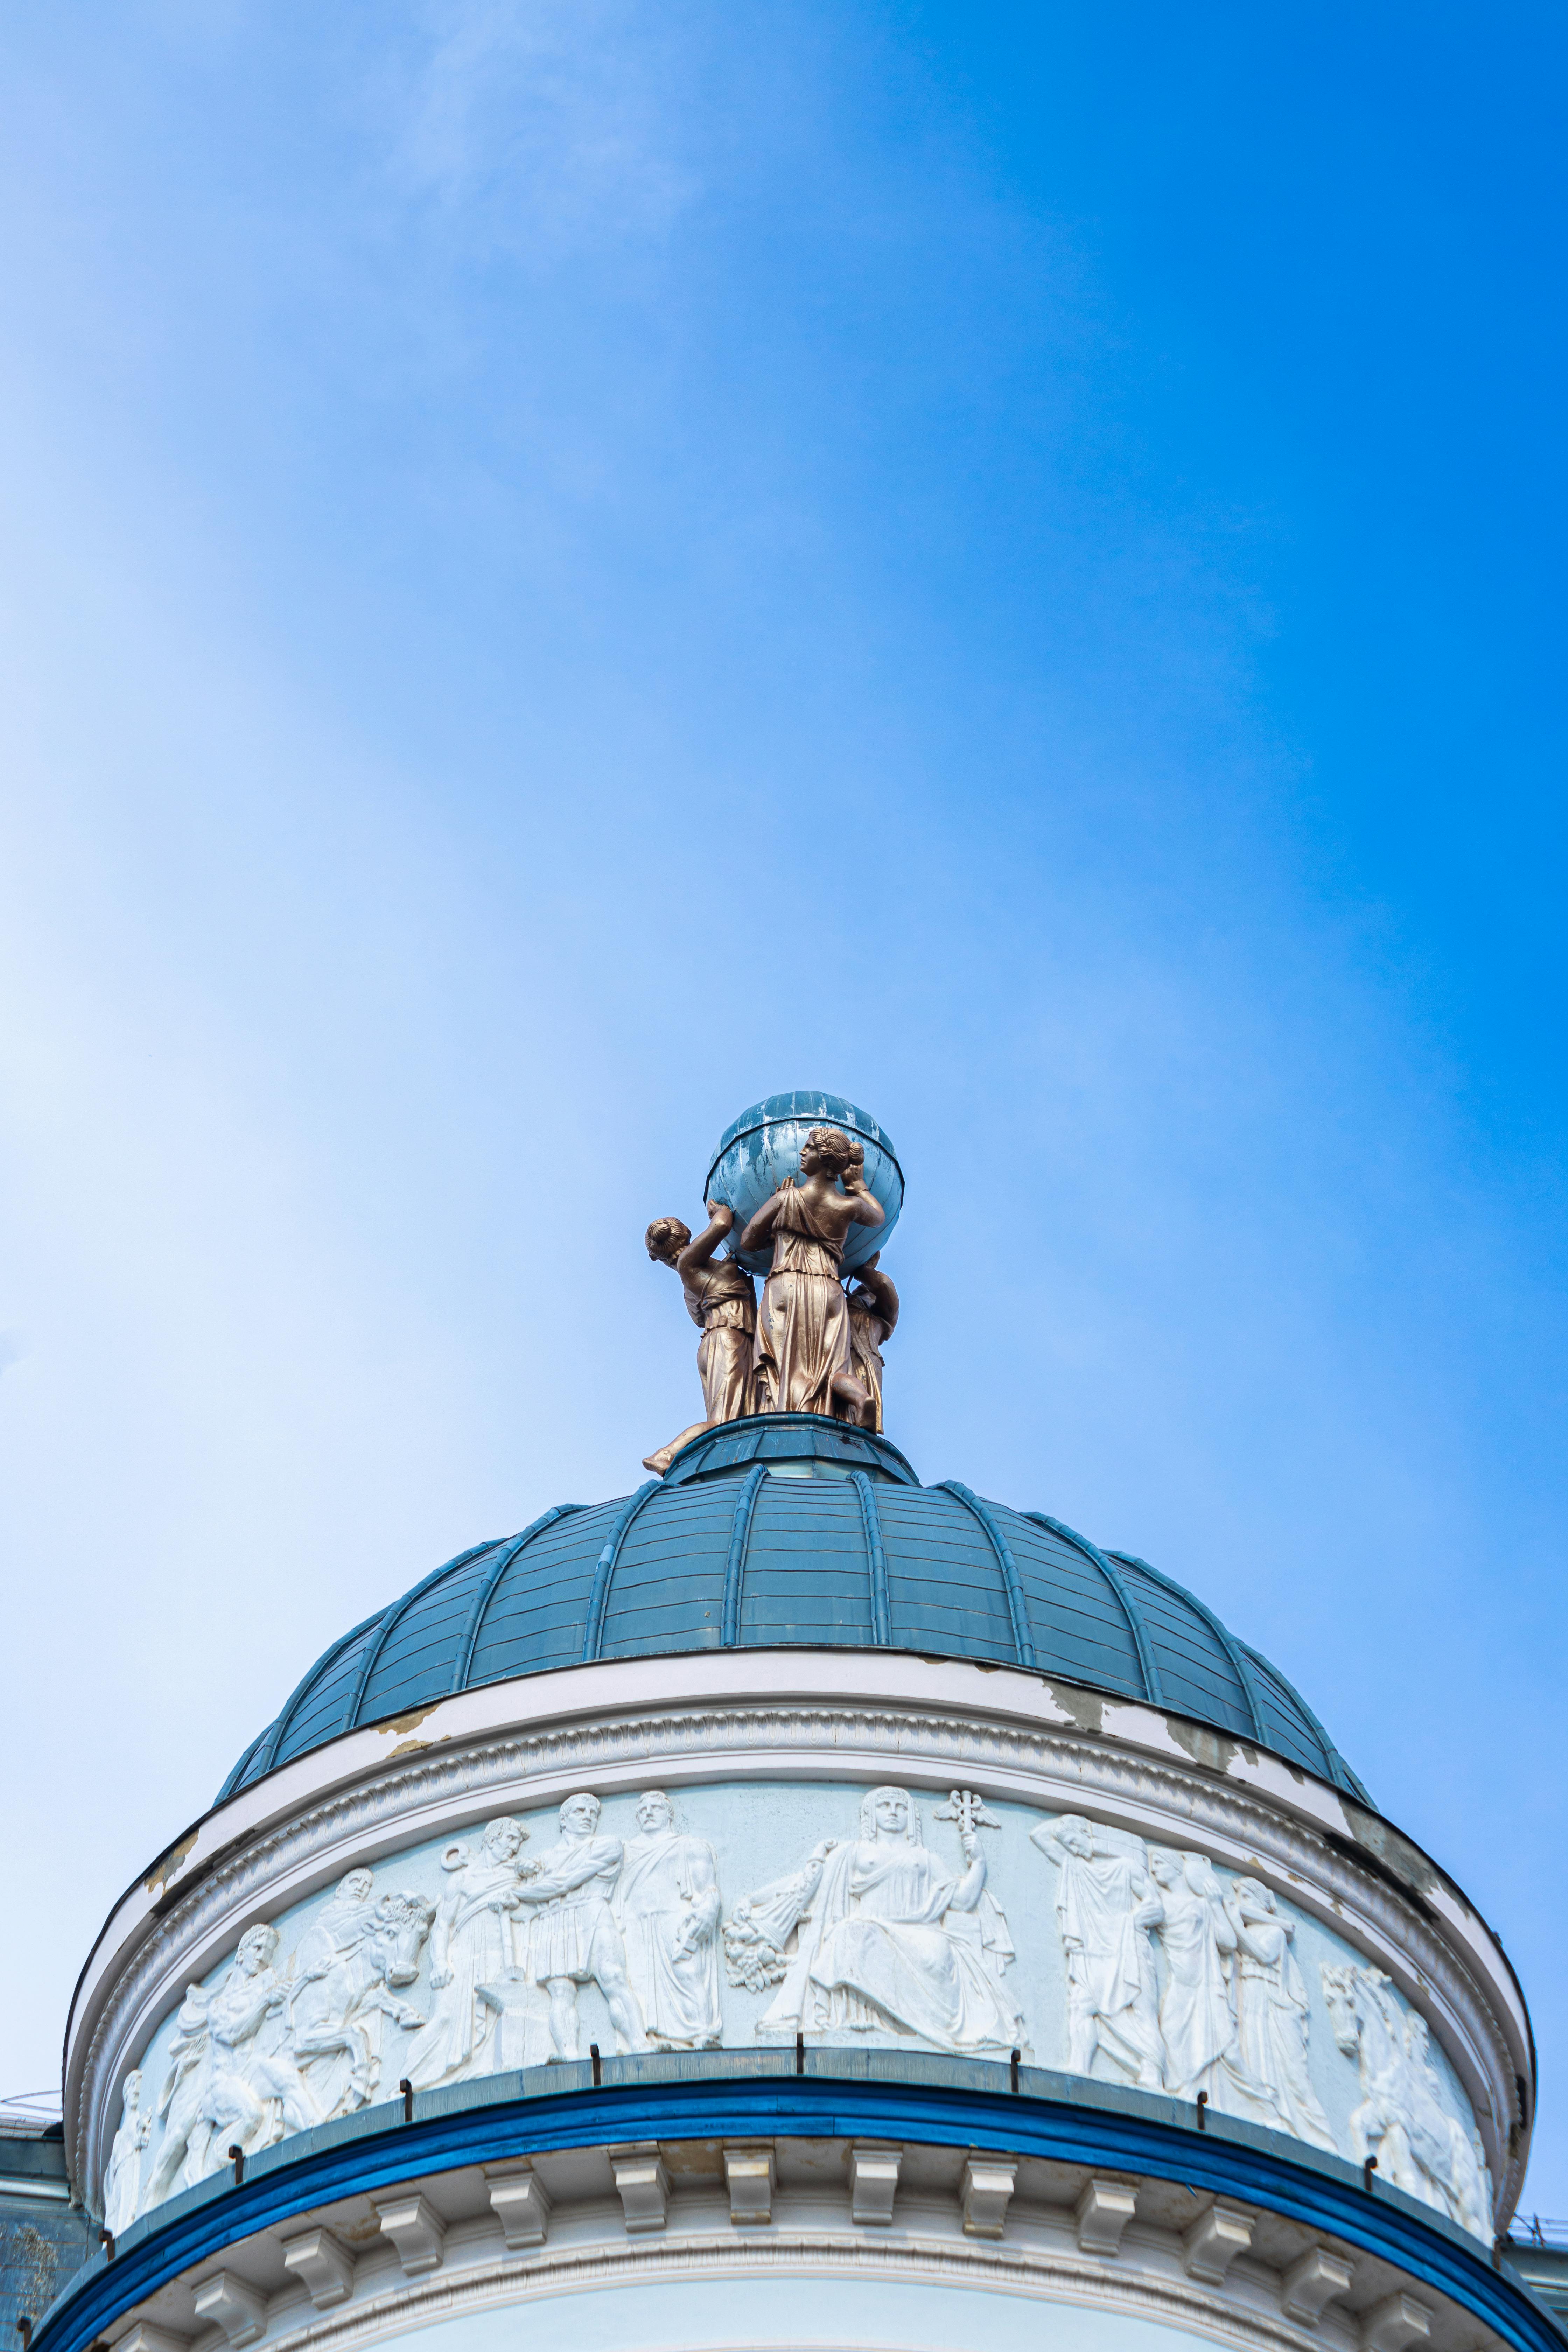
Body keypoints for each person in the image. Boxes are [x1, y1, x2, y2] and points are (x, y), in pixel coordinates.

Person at [748, 1786, 1020, 2051]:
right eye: (884, 1806)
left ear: (911, 1818)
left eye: (901, 1808)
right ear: (871, 1815)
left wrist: (979, 1864)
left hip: (919, 1932)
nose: (893, 1813)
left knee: (938, 1952)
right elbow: (813, 1889)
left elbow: (962, 1901)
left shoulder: (924, 1859)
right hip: (869, 1928)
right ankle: (861, 2019)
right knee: (850, 1934)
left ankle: (920, 2026)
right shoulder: (854, 1853)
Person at [739, 1127, 884, 1420]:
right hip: (829, 1289)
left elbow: (748, 1241)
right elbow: (878, 1217)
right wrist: (858, 1185)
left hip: (786, 1285)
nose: (803, 1153)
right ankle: (860, 1397)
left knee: (786, 1364)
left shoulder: (785, 1199)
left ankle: (789, 1421)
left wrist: (779, 1230)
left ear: (826, 1158)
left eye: (810, 1148)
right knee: (834, 1366)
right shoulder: (848, 1205)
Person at [1030, 1815, 1165, 2089]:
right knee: (1081, 2006)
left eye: (1075, 1842)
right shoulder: (1075, 1868)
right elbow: (1040, 1835)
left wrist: (1129, 1924)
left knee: (1142, 2012)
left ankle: (1153, 2073)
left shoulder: (1127, 1868)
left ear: (1085, 1833)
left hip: (1129, 1951)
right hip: (1092, 1954)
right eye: (1068, 1844)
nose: (1074, 1849)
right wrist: (1083, 1836)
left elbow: (1156, 1907)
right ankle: (1080, 2066)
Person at [510, 1794, 647, 2061]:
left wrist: (524, 1890)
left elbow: (564, 1882)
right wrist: (525, 1880)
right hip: (555, 1920)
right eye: (580, 1811)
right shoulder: (542, 1860)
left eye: (593, 1813)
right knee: (561, 1991)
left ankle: (639, 2043)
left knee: (614, 1977)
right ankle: (569, 2056)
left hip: (593, 1912)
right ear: (563, 1819)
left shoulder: (608, 1846)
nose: (587, 1817)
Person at [1148, 1850, 1281, 2123]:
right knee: (1173, 2040)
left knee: (1230, 2054)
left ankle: (1266, 2110)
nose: (1155, 1869)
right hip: (1181, 1987)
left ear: (1177, 1869)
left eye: (1160, 1863)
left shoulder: (1203, 1905)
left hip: (1208, 1987)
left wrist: (1217, 1903)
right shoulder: (1161, 1902)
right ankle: (1182, 2101)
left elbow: (1229, 1943)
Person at [405, 1818, 533, 2088]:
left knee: (494, 2011)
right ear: (491, 1839)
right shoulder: (461, 1880)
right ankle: (409, 2082)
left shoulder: (515, 1874)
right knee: (445, 2017)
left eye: (518, 1844)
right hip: (464, 1955)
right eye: (510, 1840)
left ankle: (482, 2073)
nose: (514, 1849)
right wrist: (439, 1963)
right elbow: (442, 1926)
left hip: (499, 1951)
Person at [643, 1204, 758, 1475]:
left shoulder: (689, 1281)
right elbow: (722, 1225)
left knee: (738, 1418)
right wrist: (718, 1207)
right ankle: (668, 1455)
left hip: (718, 1340)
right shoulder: (689, 1264)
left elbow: (698, 1318)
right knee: (724, 1422)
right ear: (687, 1234)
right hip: (728, 1337)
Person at [1230, 1876, 1336, 2150]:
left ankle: (1318, 2137)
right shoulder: (1258, 1928)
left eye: (1246, 1898)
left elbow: (1264, 1956)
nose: (1241, 1904)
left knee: (1289, 2071)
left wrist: (1236, 1925)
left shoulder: (1274, 1932)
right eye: (1239, 1897)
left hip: (1271, 2001)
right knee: (1255, 2053)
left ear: (1261, 1904)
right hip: (1252, 1994)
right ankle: (1266, 2109)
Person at [614, 1791, 722, 2048]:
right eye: (643, 1810)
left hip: (675, 1921)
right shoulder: (626, 1852)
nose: (649, 1813)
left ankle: (701, 2034)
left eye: (656, 1808)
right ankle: (652, 2040)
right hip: (638, 1926)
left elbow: (708, 1889)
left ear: (670, 1814)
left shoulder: (688, 1846)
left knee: (688, 1974)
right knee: (640, 1987)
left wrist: (708, 1911)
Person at [844, 1255, 898, 1433]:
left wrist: (860, 1269)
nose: (861, 1292)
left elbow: (884, 1285)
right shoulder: (838, 1302)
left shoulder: (879, 1313)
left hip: (862, 1359)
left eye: (867, 1290)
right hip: (829, 1353)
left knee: (856, 1418)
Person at [102, 2070, 150, 2235]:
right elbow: (111, 2173)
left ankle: (121, 2236)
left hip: (129, 2166)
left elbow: (140, 2140)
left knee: (127, 2209)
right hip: (119, 2173)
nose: (136, 2095)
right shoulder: (119, 2134)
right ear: (126, 2092)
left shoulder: (138, 2118)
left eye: (138, 2094)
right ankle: (116, 2237)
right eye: (134, 2092)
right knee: (118, 2208)